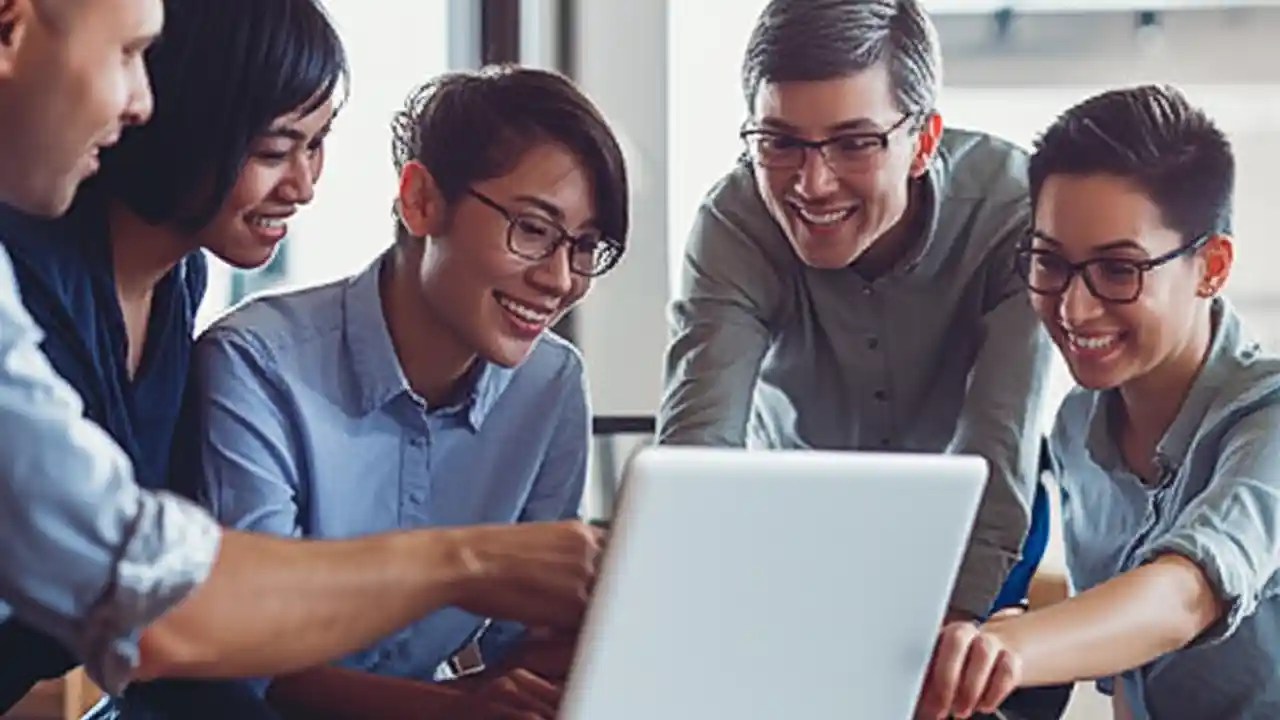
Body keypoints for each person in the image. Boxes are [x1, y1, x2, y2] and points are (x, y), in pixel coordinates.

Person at [0, 0, 601, 707]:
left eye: (315, 146)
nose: (305, 187)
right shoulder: (56, 288)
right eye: (274, 150)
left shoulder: (177, 285)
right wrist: (469, 565)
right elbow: (164, 608)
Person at [192, 65, 627, 719]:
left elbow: (527, 640)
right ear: (421, 200)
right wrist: (453, 708)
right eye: (534, 230)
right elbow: (254, 653)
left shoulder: (550, 384)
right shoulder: (256, 364)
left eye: (586, 246)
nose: (560, 279)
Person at [658, 0, 1054, 623]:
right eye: (780, 142)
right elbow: (697, 450)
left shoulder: (1014, 213)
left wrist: (955, 627)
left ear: (922, 141)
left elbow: (1000, 449)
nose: (812, 183)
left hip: (978, 512)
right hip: (800, 515)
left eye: (854, 144)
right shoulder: (734, 222)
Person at [917, 85, 1280, 720]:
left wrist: (1007, 648)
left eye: (1119, 270)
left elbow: (1183, 598)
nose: (1074, 308)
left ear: (1212, 267)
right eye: (1049, 262)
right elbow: (1129, 679)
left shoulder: (1268, 422)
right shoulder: (1079, 424)